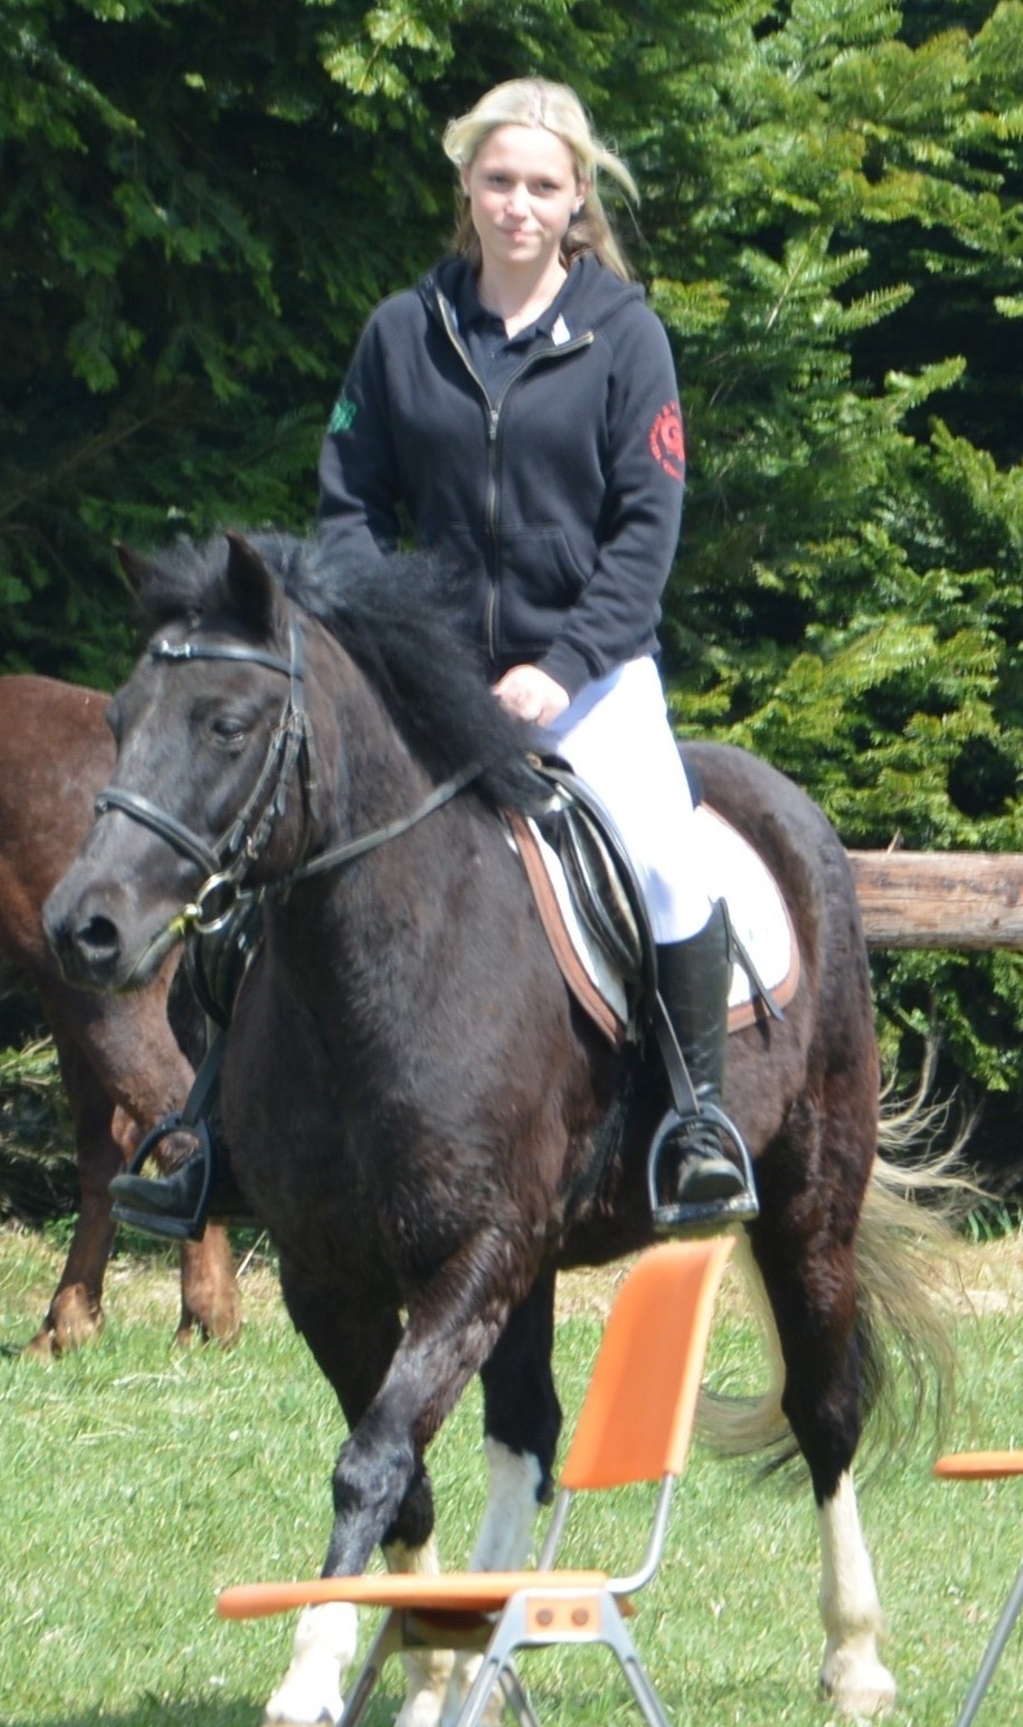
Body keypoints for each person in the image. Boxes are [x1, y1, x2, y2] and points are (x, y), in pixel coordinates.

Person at [319, 77, 757, 1233]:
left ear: (577, 202)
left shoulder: (629, 339)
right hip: (433, 682)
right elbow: (348, 506)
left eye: (544, 187)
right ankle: (212, 1126)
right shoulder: (400, 333)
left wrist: (561, 668)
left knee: (666, 862)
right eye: (500, 180)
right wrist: (393, 642)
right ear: (466, 187)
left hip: (592, 681)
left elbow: (644, 530)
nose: (520, 204)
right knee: (293, 840)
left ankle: (697, 1123)